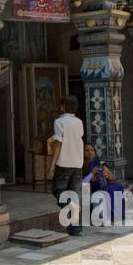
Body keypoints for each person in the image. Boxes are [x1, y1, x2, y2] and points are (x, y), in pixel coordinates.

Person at [49, 95, 85, 235]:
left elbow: (58, 143)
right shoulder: (79, 122)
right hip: (77, 163)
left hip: (64, 163)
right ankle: (75, 227)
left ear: (63, 105)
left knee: (57, 190)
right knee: (74, 193)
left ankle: (72, 207)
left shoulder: (59, 122)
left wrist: (52, 164)